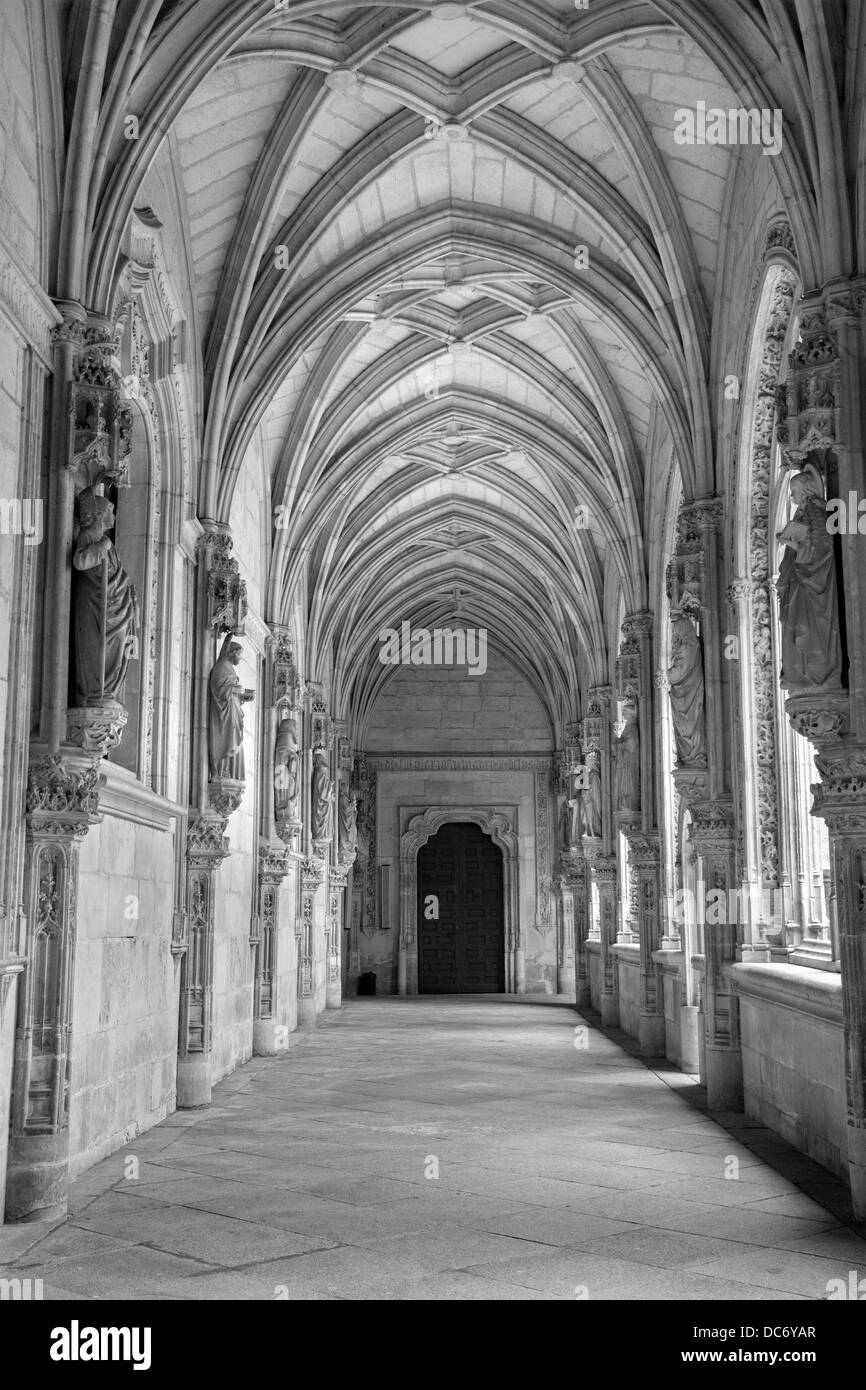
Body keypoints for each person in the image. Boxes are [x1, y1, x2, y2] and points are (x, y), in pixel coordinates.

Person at [71, 488, 139, 706]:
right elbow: (80, 562)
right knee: (96, 650)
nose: (115, 516)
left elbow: (117, 575)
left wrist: (128, 592)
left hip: (114, 607)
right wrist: (100, 547)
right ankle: (94, 691)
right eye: (111, 511)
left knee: (118, 647)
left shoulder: (108, 543)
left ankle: (108, 690)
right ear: (99, 514)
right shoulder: (89, 536)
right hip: (95, 606)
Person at [777, 469, 842, 688]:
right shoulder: (803, 515)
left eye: (793, 491)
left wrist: (792, 543)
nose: (791, 497)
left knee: (811, 628)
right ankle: (801, 674)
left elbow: (820, 553)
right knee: (798, 627)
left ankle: (814, 675)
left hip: (811, 584)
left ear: (806, 491)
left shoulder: (815, 512)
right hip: (800, 582)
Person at [208, 634, 253, 780]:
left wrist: (242, 696)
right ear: (232, 652)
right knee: (226, 739)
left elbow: (230, 690)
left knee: (233, 740)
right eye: (239, 654)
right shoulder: (222, 666)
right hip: (224, 715)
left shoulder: (229, 668)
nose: (241, 658)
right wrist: (235, 690)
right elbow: (218, 689)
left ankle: (227, 770)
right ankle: (220, 770)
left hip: (232, 712)